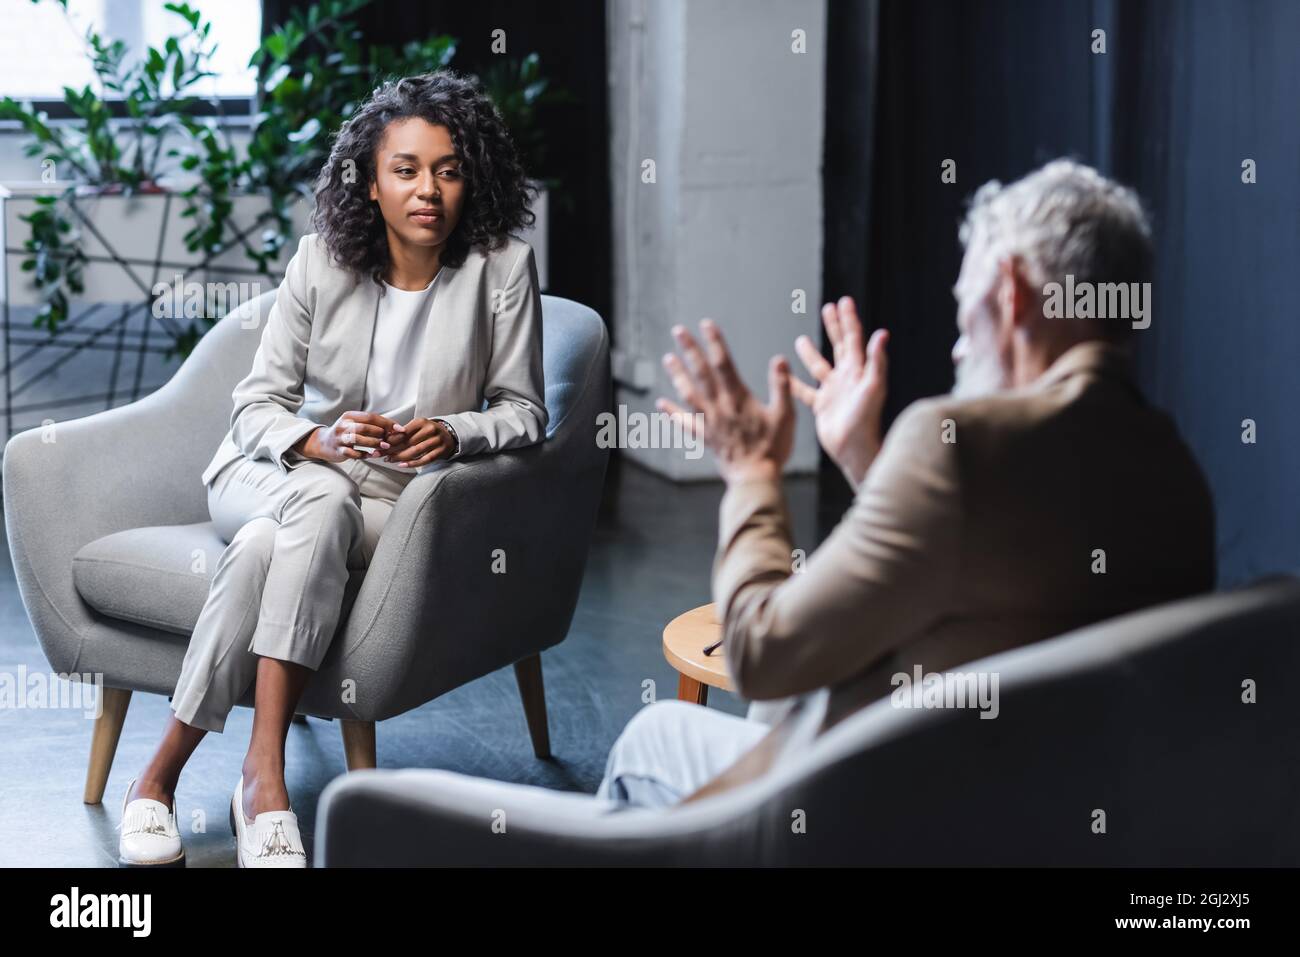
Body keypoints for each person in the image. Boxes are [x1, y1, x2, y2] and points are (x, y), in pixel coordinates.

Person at [597, 158, 1216, 807]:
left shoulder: (957, 448)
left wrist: (751, 470)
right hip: (1041, 817)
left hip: (886, 818)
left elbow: (760, 654)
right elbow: (981, 580)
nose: (955, 348)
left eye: (962, 308)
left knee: (653, 734)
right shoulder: (1178, 477)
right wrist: (871, 458)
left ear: (1011, 291)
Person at [116, 70, 547, 867]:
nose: (428, 190)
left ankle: (159, 776)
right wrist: (319, 441)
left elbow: (525, 410)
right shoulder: (321, 260)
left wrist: (453, 434)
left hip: (389, 504)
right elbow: (254, 408)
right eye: (406, 169)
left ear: (470, 178)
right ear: (372, 184)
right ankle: (265, 781)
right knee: (314, 500)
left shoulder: (502, 269)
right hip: (264, 475)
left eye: (448, 170)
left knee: (261, 554)